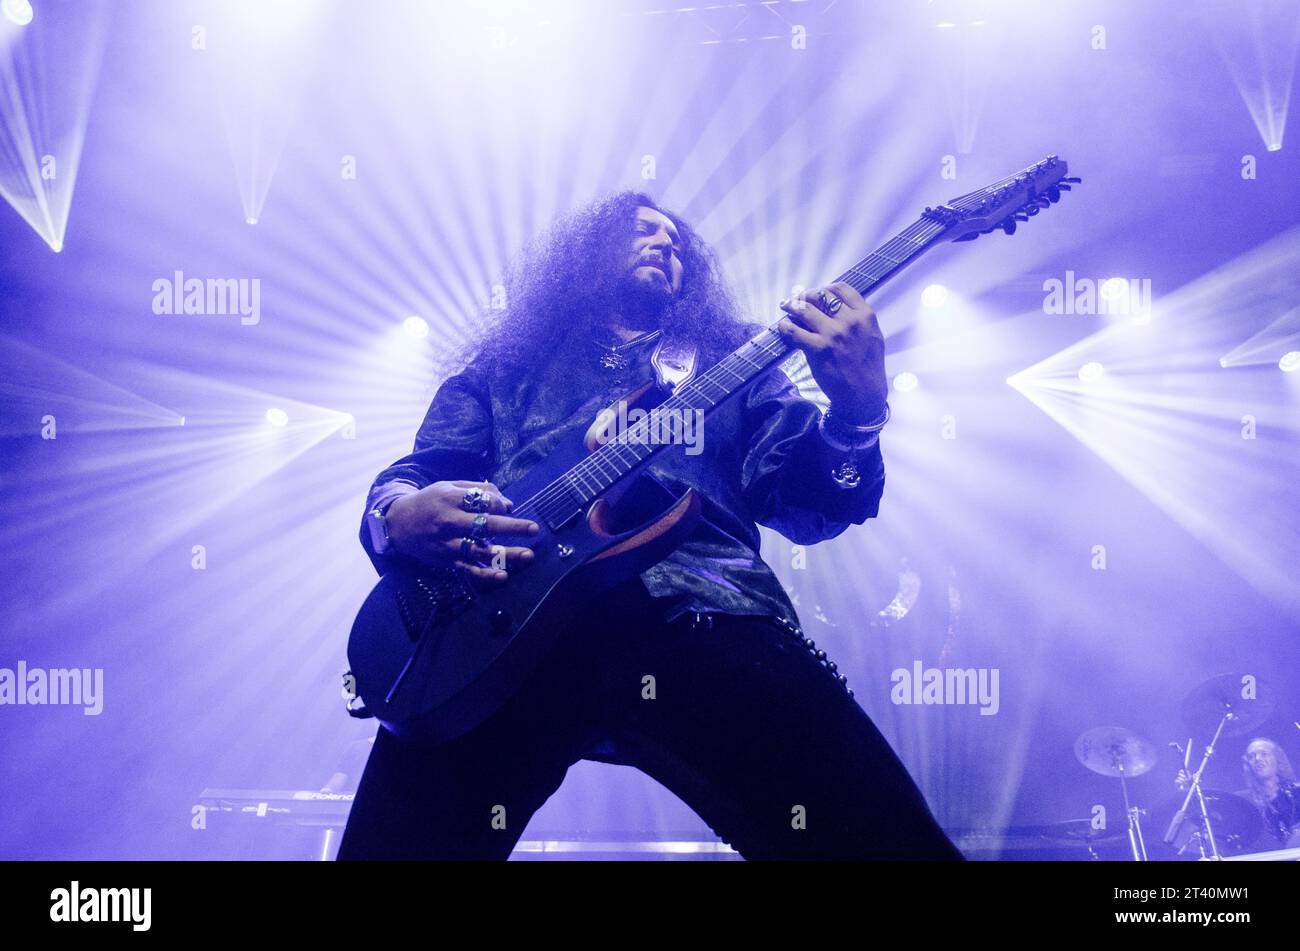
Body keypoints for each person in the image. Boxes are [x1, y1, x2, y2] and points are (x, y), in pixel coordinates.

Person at [336, 191, 962, 860]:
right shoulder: (507, 367)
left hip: (702, 608)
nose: (667, 243)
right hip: (498, 634)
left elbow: (812, 506)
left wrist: (858, 416)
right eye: (643, 231)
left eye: (677, 242)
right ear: (585, 254)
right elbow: (423, 469)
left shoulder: (733, 358)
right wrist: (396, 516)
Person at [1237, 737, 1300, 851]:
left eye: (1264, 754)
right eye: (1251, 756)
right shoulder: (1243, 801)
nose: (1257, 759)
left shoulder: (1296, 792)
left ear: (1277, 759)